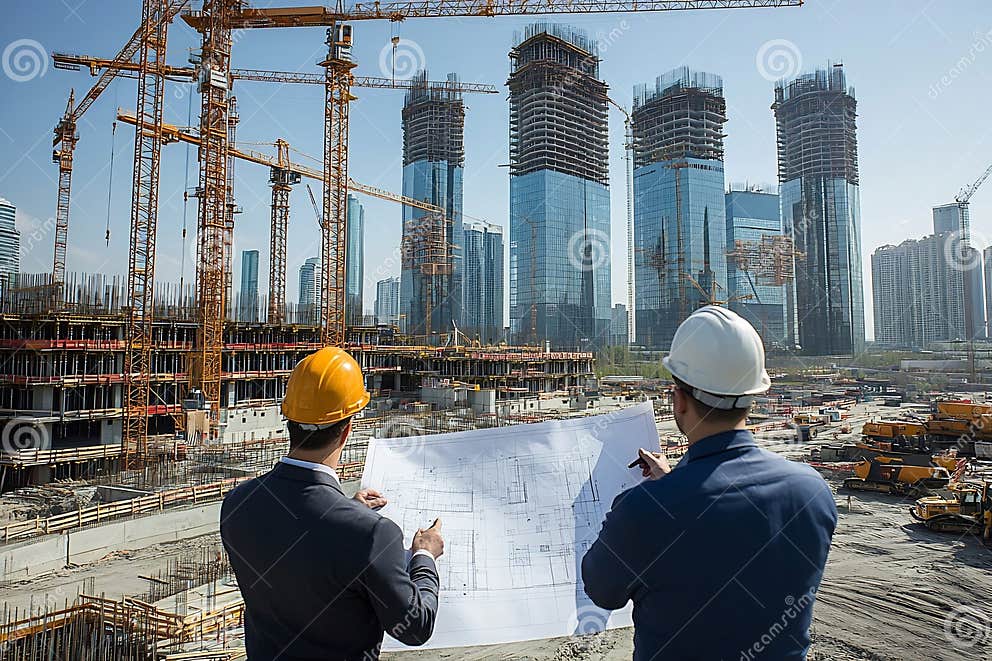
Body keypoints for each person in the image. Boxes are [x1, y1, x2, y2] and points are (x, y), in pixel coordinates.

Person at [581, 306, 837, 660]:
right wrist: (676, 486)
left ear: (680, 399)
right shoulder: (813, 492)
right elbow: (727, 533)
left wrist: (656, 500)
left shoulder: (643, 510)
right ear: (753, 394)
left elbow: (602, 591)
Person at [221, 347, 444, 660]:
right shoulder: (372, 535)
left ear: (289, 420)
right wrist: (424, 555)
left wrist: (346, 512)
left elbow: (298, 546)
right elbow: (415, 627)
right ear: (347, 430)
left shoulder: (237, 505)